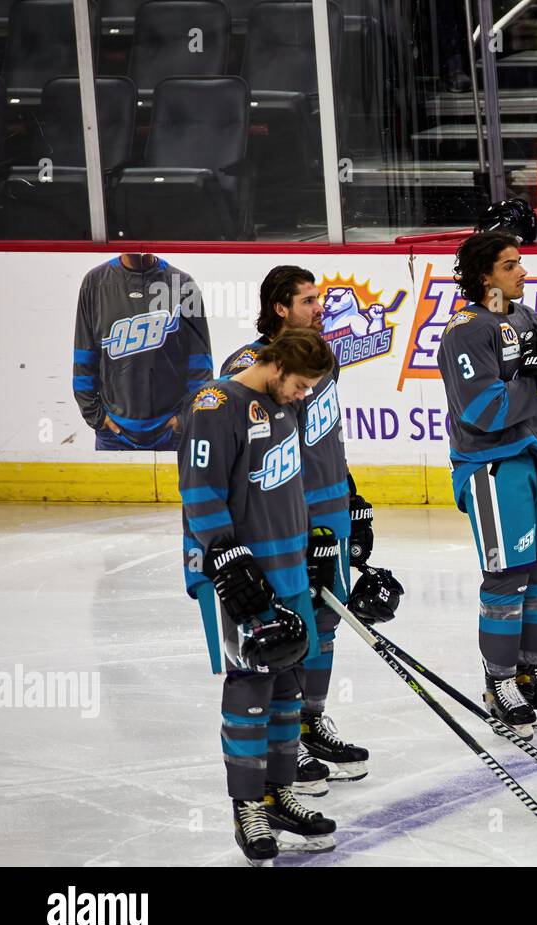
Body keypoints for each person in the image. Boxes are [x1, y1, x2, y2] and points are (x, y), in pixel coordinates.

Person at [220, 266, 388, 792]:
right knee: (293, 627)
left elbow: (324, 437)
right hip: (289, 518)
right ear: (280, 309)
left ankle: (312, 722)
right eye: (309, 300)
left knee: (326, 621)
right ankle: (284, 742)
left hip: (329, 507)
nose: (320, 308)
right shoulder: (250, 370)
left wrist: (352, 496)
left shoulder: (321, 360)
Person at [179, 328, 339, 866]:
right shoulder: (216, 403)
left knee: (289, 683)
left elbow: (289, 483)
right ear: (274, 367)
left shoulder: (282, 404)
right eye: (298, 385)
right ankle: (247, 804)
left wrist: (313, 540)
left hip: (288, 565)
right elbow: (199, 490)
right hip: (240, 575)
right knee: (251, 684)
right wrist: (225, 556)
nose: (302, 396)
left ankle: (279, 793)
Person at [436, 232, 537, 738]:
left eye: (520, 262)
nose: (523, 271)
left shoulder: (527, 318)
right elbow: (482, 411)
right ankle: (499, 683)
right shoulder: (465, 330)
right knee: (507, 579)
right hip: (493, 466)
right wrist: (532, 381)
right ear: (485, 276)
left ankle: (529, 675)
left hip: (536, 461)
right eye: (510, 265)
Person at [72, 254, 211, 451]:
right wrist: (98, 418)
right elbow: (83, 357)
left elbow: (200, 363)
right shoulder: (95, 283)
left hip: (170, 436)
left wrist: (184, 419)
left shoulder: (183, 285)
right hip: (114, 436)